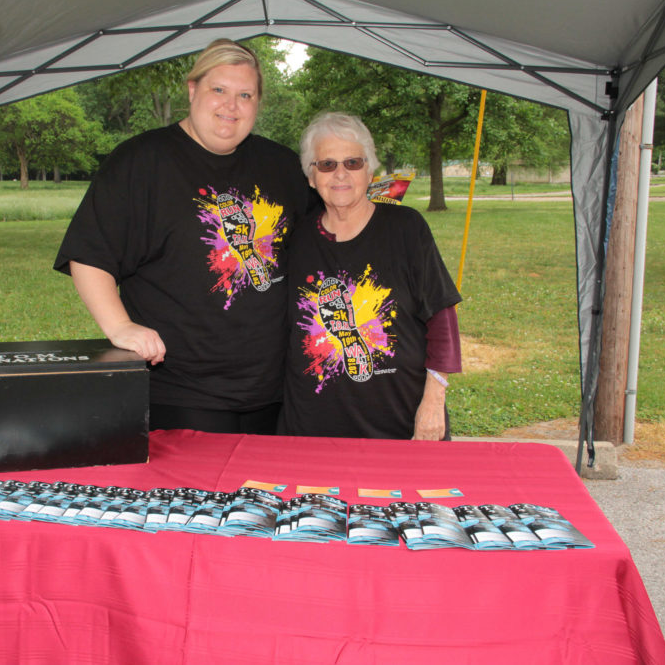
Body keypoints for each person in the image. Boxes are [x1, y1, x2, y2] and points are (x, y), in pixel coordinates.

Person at [54, 39, 312, 435]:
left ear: (258, 103)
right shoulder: (142, 162)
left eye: (245, 95)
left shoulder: (282, 166)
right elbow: (89, 253)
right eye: (219, 90)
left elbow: (324, 239)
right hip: (179, 389)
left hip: (274, 388)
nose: (231, 105)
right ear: (193, 90)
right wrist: (119, 326)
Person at [278, 112, 462, 441]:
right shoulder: (297, 237)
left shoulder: (406, 228)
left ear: (370, 171)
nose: (340, 174)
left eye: (353, 162)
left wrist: (434, 400)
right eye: (327, 164)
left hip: (400, 422)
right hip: (313, 424)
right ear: (311, 177)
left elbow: (442, 315)